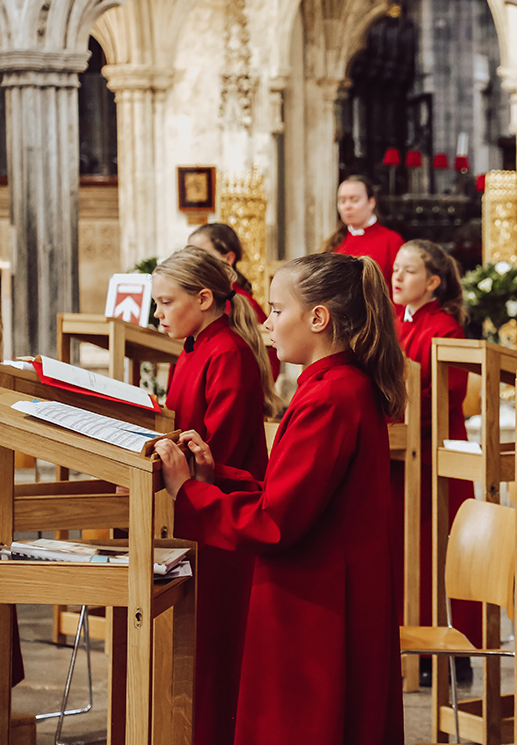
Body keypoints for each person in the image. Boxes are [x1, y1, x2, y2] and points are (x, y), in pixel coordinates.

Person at [155, 253, 407, 745]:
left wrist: (188, 491)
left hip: (315, 600)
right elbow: (293, 491)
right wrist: (215, 476)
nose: (266, 324)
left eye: (276, 310)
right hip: (327, 585)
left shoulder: (331, 396)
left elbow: (277, 521)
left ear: (318, 318)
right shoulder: (335, 384)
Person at [152, 246, 282, 745]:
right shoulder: (193, 347)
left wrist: (171, 461)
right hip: (196, 508)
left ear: (204, 298)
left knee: (215, 648)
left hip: (222, 515)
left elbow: (215, 451)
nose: (158, 314)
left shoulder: (227, 351)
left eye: (166, 302)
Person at [390, 239, 480, 683]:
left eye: (408, 270)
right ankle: (407, 643)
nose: (397, 276)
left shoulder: (444, 329)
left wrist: (390, 410)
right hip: (397, 454)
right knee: (403, 552)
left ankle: (449, 653)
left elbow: (446, 394)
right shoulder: (393, 323)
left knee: (435, 553)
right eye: (395, 268)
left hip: (432, 456)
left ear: (432, 282)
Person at [188, 222, 280, 380]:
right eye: (189, 255)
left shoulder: (237, 303)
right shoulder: (201, 297)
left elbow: (267, 363)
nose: (192, 263)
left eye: (200, 255)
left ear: (228, 258)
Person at [323, 175, 405, 300]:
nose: (347, 206)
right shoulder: (334, 241)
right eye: (342, 201)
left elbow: (401, 291)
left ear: (371, 203)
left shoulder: (392, 241)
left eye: (354, 200)